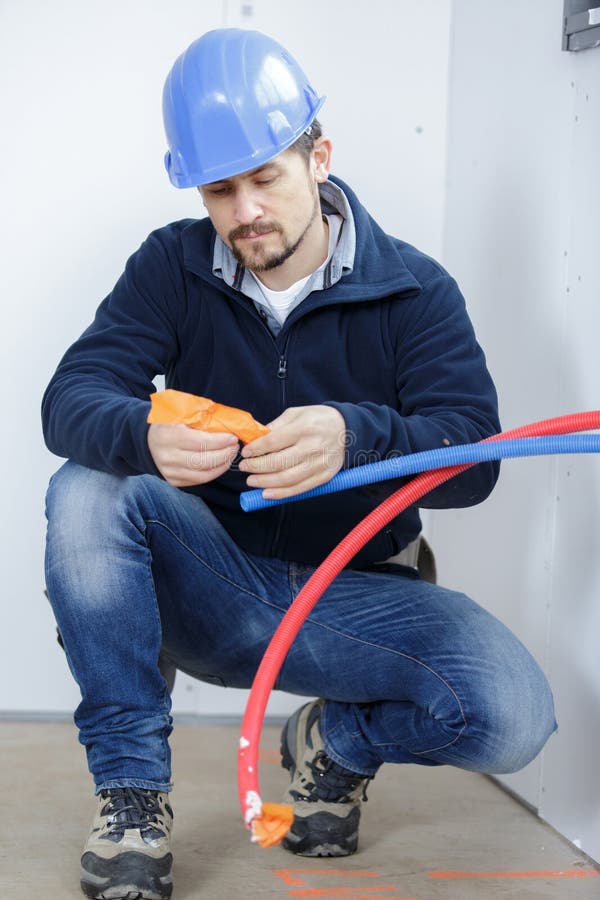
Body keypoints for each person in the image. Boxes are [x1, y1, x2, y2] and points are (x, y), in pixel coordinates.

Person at [42, 27, 556, 900]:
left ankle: (335, 746)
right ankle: (131, 792)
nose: (244, 211)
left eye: (266, 178)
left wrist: (359, 435)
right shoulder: (170, 266)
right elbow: (72, 397)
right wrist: (142, 433)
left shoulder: (416, 291)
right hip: (215, 584)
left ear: (320, 157)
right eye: (219, 189)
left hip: (355, 602)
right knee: (88, 487)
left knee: (513, 717)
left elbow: (476, 458)